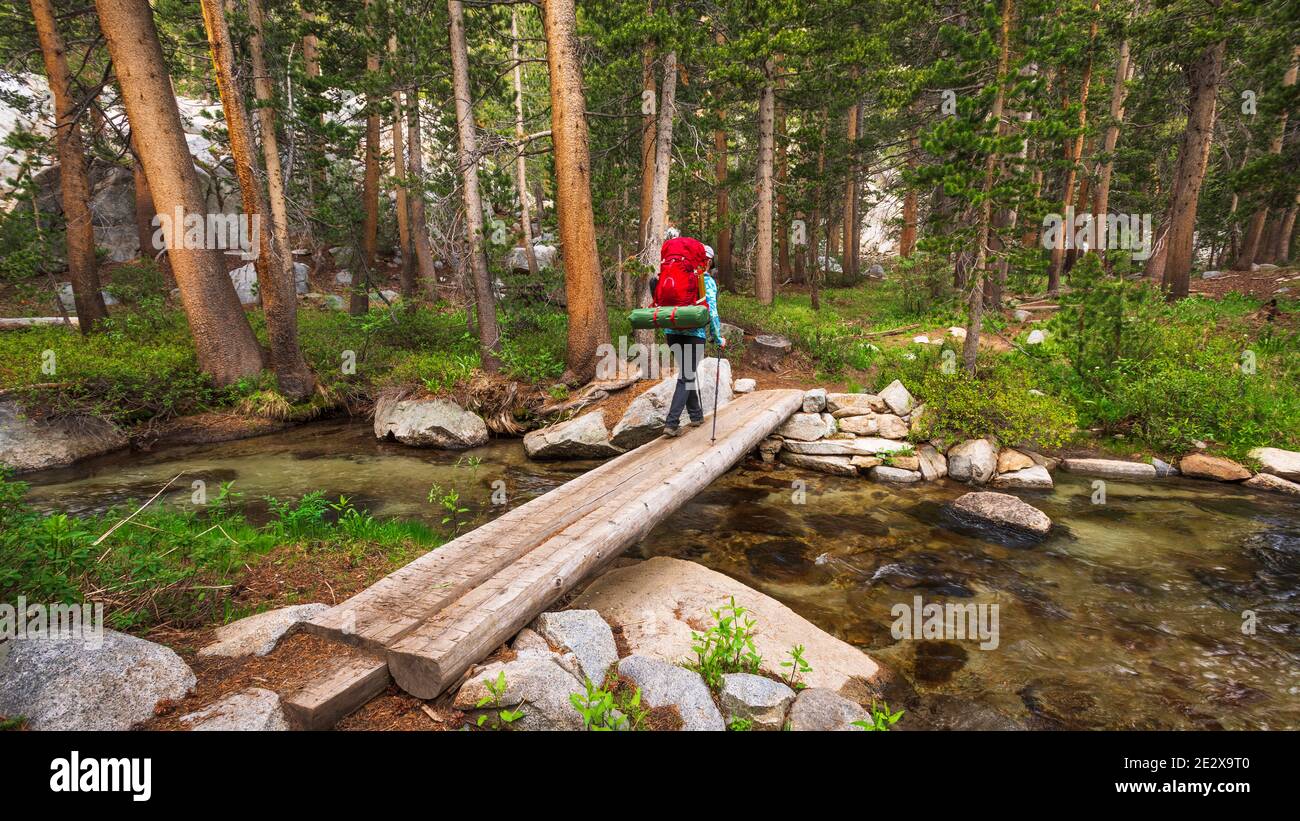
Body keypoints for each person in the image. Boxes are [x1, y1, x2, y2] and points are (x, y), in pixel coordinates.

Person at [652, 243, 724, 437]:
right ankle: (671, 423)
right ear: (708, 261)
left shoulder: (679, 278)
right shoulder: (705, 281)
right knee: (687, 376)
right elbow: (713, 314)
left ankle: (696, 415)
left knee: (687, 373)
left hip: (672, 332)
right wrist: (718, 338)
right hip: (695, 335)